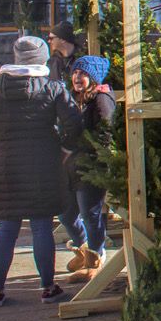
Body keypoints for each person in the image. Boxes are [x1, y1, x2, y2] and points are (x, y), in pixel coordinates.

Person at [0, 35, 83, 307]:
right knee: (41, 226)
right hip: (43, 166)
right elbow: (74, 124)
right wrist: (62, 145)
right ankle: (47, 287)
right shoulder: (52, 88)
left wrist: (2, 135)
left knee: (6, 229)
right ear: (42, 58)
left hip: (5, 166)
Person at [60, 56, 115, 280]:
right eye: (75, 73)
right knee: (66, 214)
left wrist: (88, 152)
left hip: (91, 167)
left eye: (83, 74)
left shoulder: (101, 99)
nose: (77, 77)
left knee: (90, 214)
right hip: (71, 167)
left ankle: (96, 258)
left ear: (93, 77)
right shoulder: (74, 99)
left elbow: (104, 133)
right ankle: (84, 251)